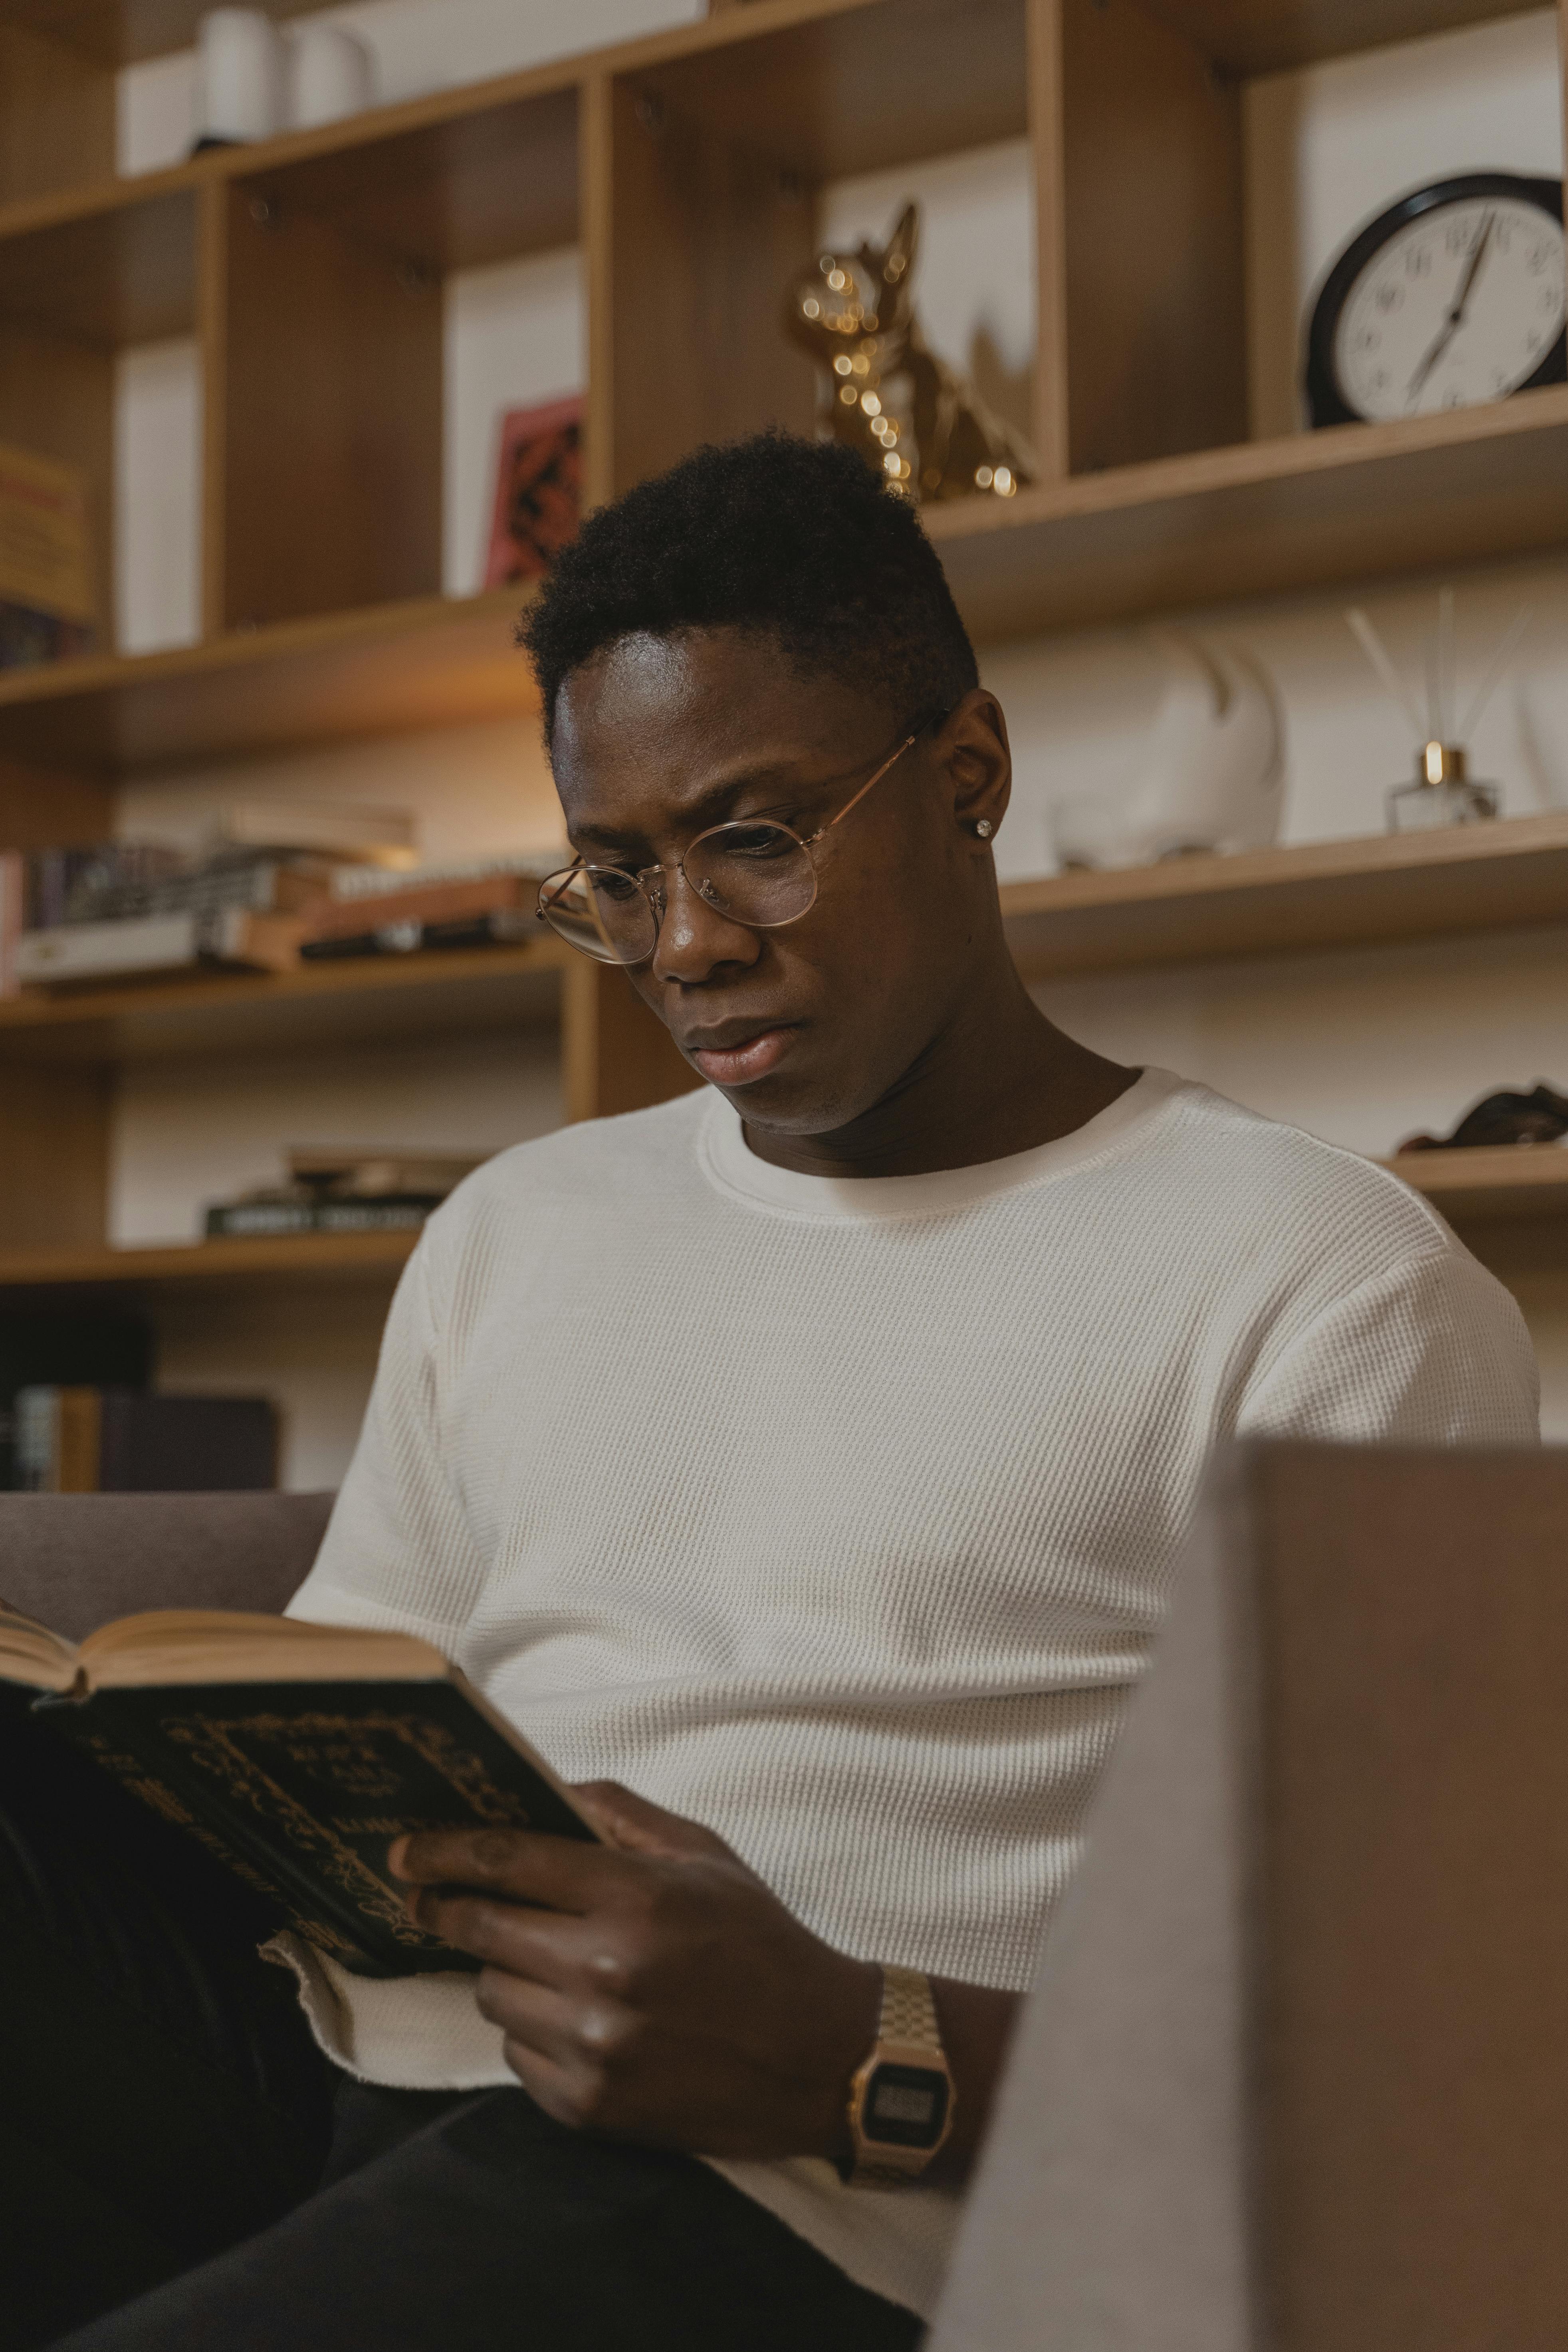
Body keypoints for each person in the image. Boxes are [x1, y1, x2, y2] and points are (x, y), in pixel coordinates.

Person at [11, 433, 1536, 2350]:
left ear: (967, 776)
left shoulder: (1328, 1288)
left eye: (757, 835)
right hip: (361, 2077)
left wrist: (846, 2040)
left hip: (807, 2180)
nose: (687, 944)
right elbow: (329, 1717)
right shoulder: (521, 1224)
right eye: (620, 873)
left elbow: (1433, 2083)